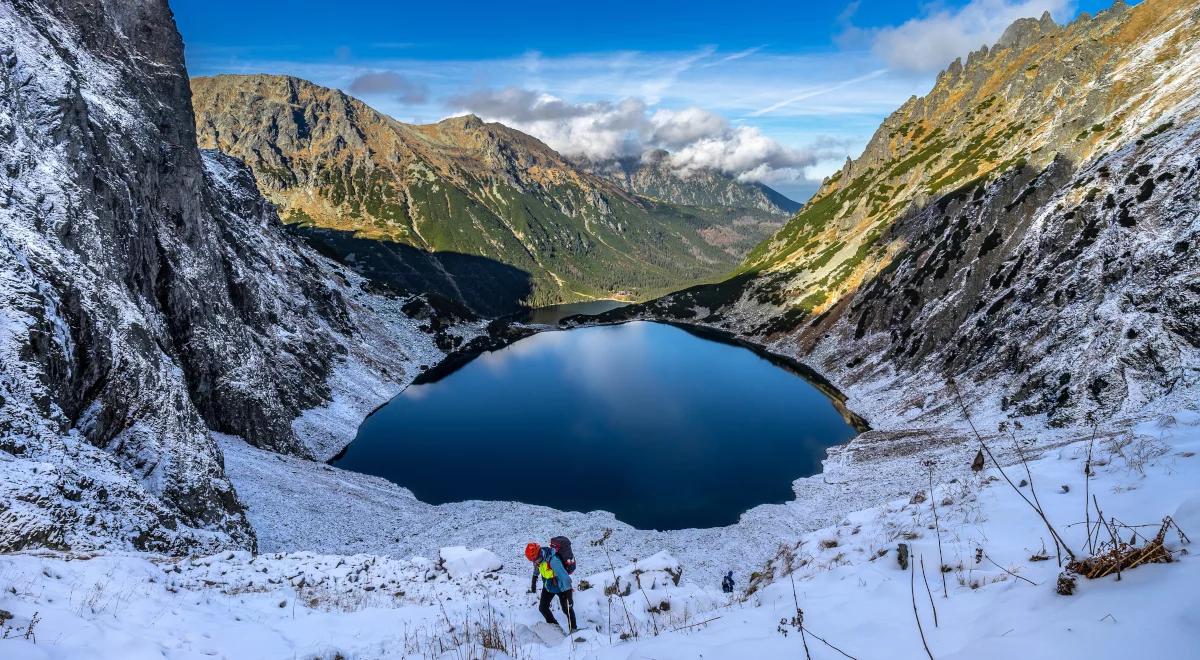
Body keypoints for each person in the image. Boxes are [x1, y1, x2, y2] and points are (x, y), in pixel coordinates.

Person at [525, 541, 578, 633]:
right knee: (543, 608)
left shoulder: (553, 561)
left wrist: (569, 596)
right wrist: (534, 579)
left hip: (561, 588)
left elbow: (565, 578)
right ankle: (556, 629)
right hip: (548, 586)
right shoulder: (537, 558)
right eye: (532, 560)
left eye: (535, 560)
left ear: (539, 554)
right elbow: (537, 567)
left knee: (567, 609)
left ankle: (573, 630)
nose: (534, 562)